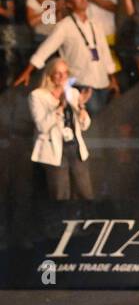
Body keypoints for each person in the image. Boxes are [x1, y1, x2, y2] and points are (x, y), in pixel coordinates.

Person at [17, 0, 114, 113]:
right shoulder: (64, 26)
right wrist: (28, 70)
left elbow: (104, 51)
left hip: (102, 80)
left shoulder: (96, 24)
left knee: (103, 117)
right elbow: (46, 49)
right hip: (81, 80)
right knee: (89, 117)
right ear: (69, 4)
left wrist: (112, 77)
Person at [29, 58, 92, 200]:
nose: (63, 77)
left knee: (85, 192)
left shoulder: (73, 93)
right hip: (55, 149)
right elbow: (42, 126)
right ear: (50, 75)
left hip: (75, 147)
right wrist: (60, 106)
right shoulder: (38, 96)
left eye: (65, 73)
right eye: (58, 73)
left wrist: (81, 107)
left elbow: (85, 125)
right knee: (60, 194)